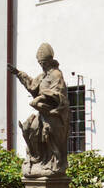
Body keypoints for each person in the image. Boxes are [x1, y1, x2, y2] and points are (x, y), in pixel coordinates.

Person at [9, 42, 70, 178]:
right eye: (40, 62)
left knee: (49, 136)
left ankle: (54, 164)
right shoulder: (43, 75)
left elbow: (59, 93)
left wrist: (42, 97)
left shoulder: (56, 74)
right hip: (42, 112)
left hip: (54, 114)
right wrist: (18, 73)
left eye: (43, 62)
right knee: (31, 129)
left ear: (49, 61)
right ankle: (37, 160)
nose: (41, 65)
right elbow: (32, 86)